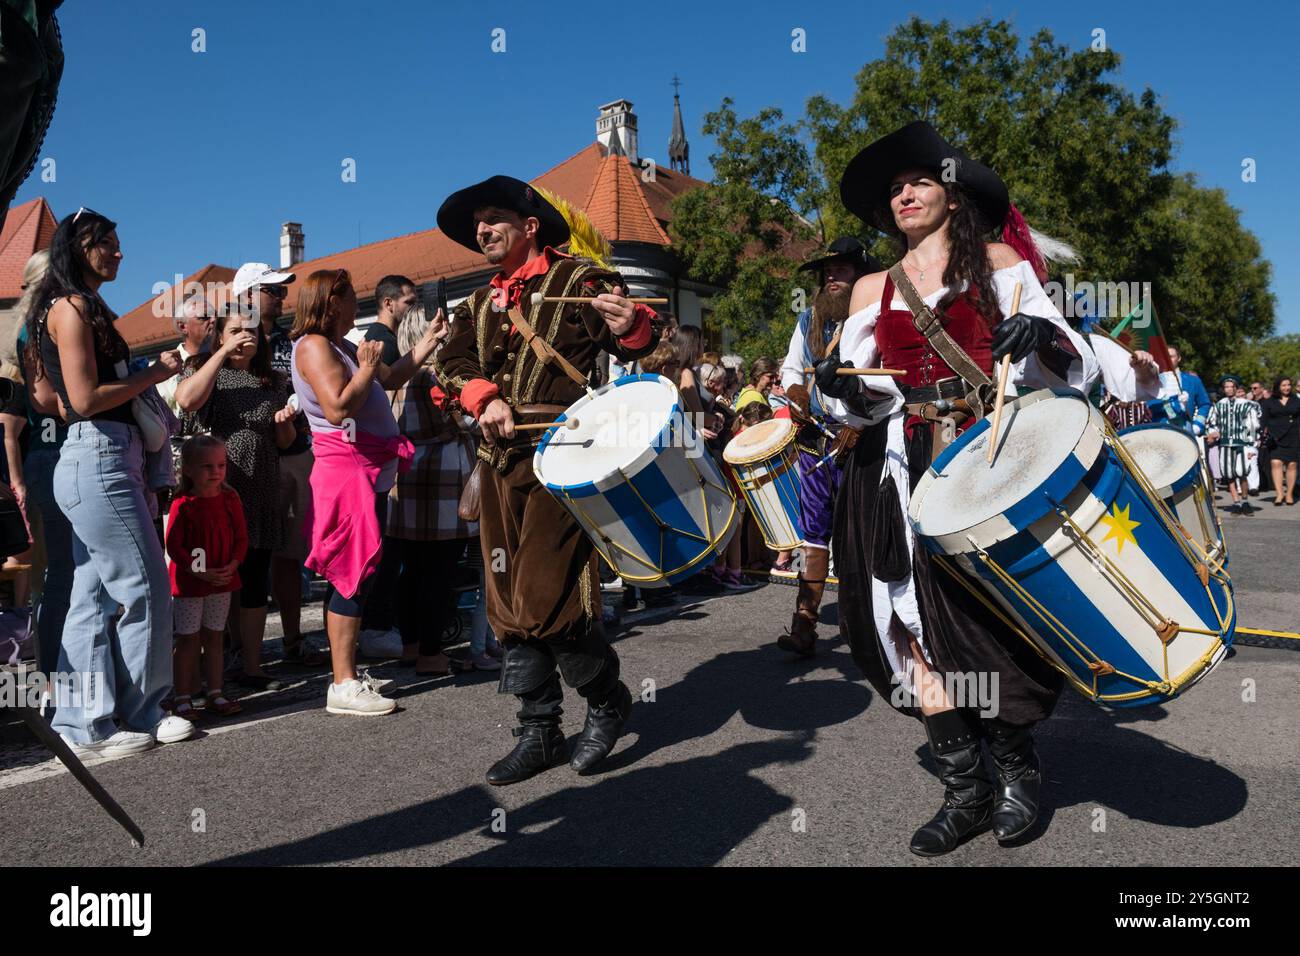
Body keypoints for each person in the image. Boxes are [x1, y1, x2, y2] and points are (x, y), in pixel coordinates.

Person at [823, 122, 1098, 855]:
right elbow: (861, 399)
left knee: (990, 619)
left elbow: (1073, 366)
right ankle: (966, 790)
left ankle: (1016, 771)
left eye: (918, 182)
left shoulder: (1001, 262)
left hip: (989, 457)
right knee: (905, 627)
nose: (904, 194)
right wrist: (836, 390)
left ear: (952, 194)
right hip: (899, 465)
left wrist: (1039, 340)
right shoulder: (873, 288)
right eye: (894, 189)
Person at [433, 174, 656, 783]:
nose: (482, 230)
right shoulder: (478, 305)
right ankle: (539, 730)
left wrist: (630, 322)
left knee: (544, 592)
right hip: (497, 463)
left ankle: (608, 701)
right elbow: (448, 365)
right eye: (476, 223)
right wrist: (481, 397)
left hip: (565, 455)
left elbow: (647, 346)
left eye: (494, 218)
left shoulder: (582, 281)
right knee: (506, 603)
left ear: (530, 226)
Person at [27, 208, 194, 755]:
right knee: (144, 587)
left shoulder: (60, 308)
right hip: (100, 455)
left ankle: (81, 724)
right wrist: (155, 374)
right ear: (79, 247)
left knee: (87, 598)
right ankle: (143, 712)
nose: (119, 252)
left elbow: (51, 399)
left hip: (87, 457)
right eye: (108, 244)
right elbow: (81, 399)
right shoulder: (74, 308)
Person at [290, 268, 441, 715]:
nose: (359, 301)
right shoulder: (314, 346)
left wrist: (428, 342)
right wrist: (370, 367)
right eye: (352, 294)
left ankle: (348, 675)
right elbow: (338, 407)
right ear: (331, 301)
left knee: (362, 570)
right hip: (346, 469)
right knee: (349, 573)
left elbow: (390, 379)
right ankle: (342, 683)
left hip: (366, 467)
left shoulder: (339, 345)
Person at [175, 308, 298, 687]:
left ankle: (252, 665)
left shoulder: (275, 380)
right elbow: (186, 400)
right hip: (218, 489)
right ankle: (215, 661)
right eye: (235, 331)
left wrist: (286, 423)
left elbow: (287, 444)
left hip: (261, 486)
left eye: (252, 331)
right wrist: (221, 352)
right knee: (218, 576)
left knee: (255, 575)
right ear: (220, 335)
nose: (246, 337)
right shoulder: (205, 372)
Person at [777, 237, 880, 655]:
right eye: (828, 272)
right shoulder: (809, 320)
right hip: (817, 442)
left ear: (859, 275)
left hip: (862, 441)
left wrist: (858, 424)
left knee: (863, 536)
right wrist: (796, 390)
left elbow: (887, 382)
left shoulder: (875, 315)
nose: (833, 277)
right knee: (813, 536)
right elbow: (788, 366)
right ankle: (804, 625)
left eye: (842, 270)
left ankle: (874, 633)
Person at [231, 262, 322, 667]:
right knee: (240, 555)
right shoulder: (231, 342)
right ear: (247, 294)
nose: (281, 297)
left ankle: (291, 639)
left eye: (282, 291)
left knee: (288, 554)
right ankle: (235, 648)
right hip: (246, 461)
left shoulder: (292, 341)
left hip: (293, 452)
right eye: (272, 290)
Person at [385, 303, 480, 673]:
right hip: (442, 481)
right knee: (440, 572)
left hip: (405, 479)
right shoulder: (436, 376)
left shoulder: (396, 376)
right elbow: (465, 422)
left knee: (411, 571)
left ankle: (411, 646)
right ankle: (432, 652)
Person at [358, 274, 422, 648]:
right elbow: (393, 384)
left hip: (389, 455)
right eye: (409, 302)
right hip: (387, 456)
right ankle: (376, 623)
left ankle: (379, 620)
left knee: (390, 542)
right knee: (387, 544)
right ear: (388, 303)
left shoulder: (385, 339)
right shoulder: (382, 341)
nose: (413, 308)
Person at [166, 434, 246, 719]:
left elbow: (241, 537)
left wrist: (233, 565)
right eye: (207, 467)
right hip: (190, 583)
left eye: (221, 465)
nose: (215, 472)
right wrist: (199, 571)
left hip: (222, 581)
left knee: (214, 637)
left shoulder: (230, 497)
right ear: (188, 469)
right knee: (188, 639)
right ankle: (183, 695)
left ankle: (215, 691)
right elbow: (174, 545)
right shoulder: (183, 503)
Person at [1208, 376, 1261, 514]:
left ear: (1236, 388)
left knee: (1242, 472)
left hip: (1242, 444)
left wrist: (1252, 445)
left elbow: (1253, 425)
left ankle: (1244, 500)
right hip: (1225, 444)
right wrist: (1214, 432)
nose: (1229, 389)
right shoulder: (1219, 405)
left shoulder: (1246, 404)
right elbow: (1212, 423)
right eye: (1226, 387)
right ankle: (1236, 502)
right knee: (1229, 474)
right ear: (1224, 389)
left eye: (1231, 386)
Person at [1148, 345, 1210, 440]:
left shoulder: (1193, 381)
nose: (1168, 359)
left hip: (1186, 429)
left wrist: (1198, 424)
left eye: (1171, 356)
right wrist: (1175, 403)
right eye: (1165, 357)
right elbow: (1149, 405)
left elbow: (1204, 404)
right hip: (1160, 430)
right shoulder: (1152, 382)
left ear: (1179, 358)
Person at [1261, 377, 1300, 505]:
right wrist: (1262, 434)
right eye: (1284, 385)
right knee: (1276, 463)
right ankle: (1279, 494)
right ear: (1278, 386)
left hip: (1293, 435)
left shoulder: (1296, 400)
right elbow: (1263, 420)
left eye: (1289, 385)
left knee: (1292, 465)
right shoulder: (1269, 402)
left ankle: (1289, 494)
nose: (1287, 388)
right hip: (1275, 437)